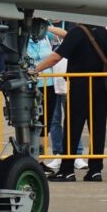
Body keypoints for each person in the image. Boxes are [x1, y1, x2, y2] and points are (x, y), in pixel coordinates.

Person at [52, 20, 107, 181]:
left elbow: (57, 56)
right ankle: (95, 170)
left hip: (80, 86)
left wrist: (36, 69)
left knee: (73, 127)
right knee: (98, 128)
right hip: (101, 87)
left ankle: (67, 170)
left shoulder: (76, 33)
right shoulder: (103, 32)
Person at [26, 21, 68, 173]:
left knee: (45, 122)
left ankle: (40, 158)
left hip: (48, 84)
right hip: (30, 84)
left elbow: (66, 35)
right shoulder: (23, 38)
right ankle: (29, 156)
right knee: (29, 120)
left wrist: (45, 27)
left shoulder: (45, 35)